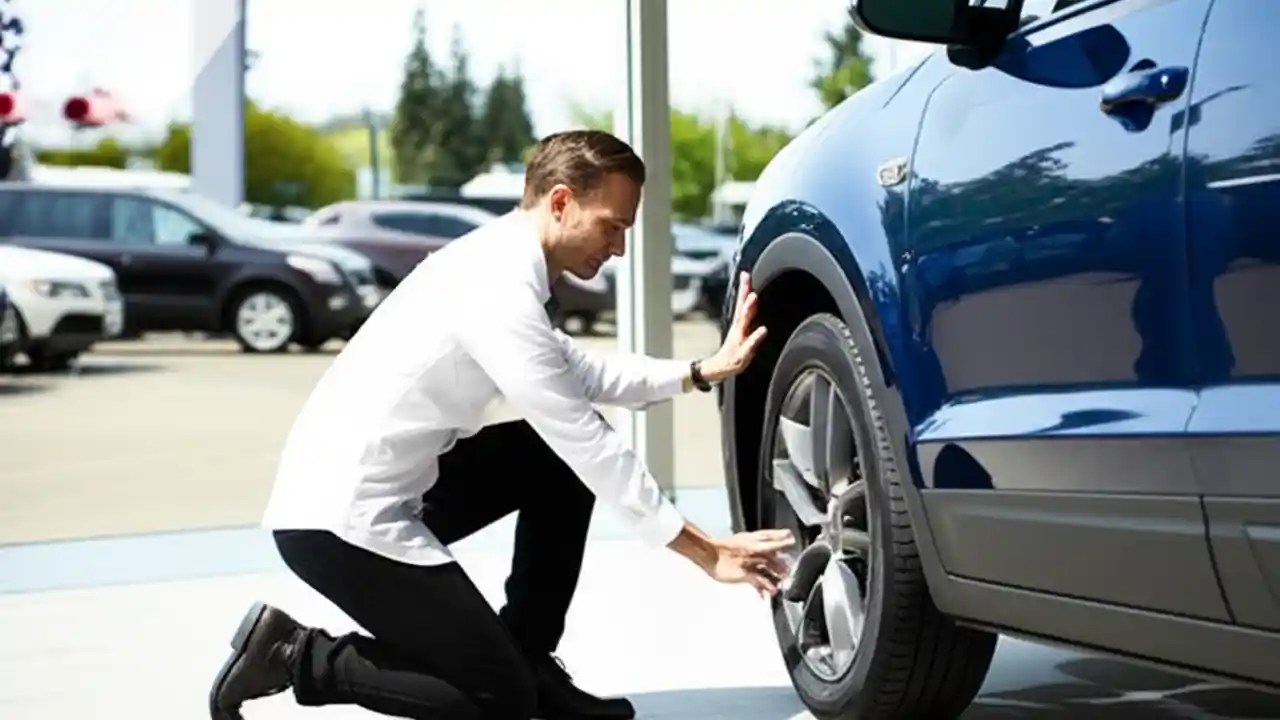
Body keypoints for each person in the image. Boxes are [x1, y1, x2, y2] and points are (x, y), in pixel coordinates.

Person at [208, 129, 795, 720]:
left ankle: (527, 657)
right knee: (500, 699)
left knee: (549, 464)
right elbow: (582, 435)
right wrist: (702, 550)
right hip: (339, 524)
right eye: (612, 225)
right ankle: (295, 655)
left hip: (395, 487)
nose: (618, 247)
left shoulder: (501, 262)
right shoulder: (499, 290)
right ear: (561, 201)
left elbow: (579, 372)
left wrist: (700, 371)